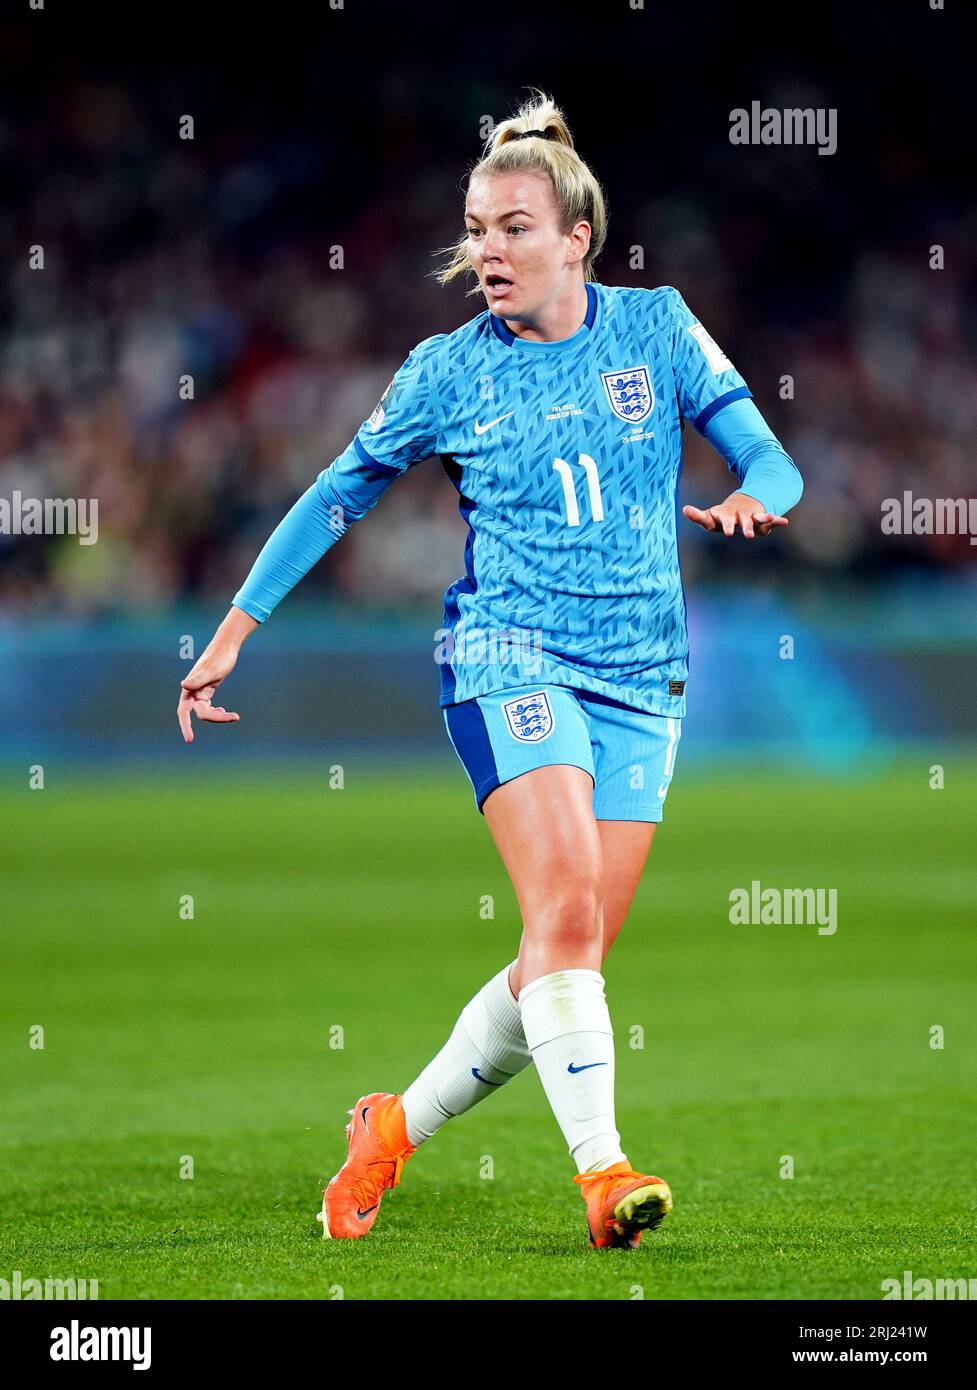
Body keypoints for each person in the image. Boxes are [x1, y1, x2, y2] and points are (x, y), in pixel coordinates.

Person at [177, 90, 802, 1250]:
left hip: (641, 676)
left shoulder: (657, 326)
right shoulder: (443, 370)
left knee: (560, 953)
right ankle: (604, 1176)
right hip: (506, 655)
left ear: (576, 238)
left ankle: (388, 1130)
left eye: (513, 227)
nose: (486, 252)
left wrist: (764, 491)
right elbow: (334, 496)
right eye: (475, 228)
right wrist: (233, 627)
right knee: (561, 908)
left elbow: (766, 450)